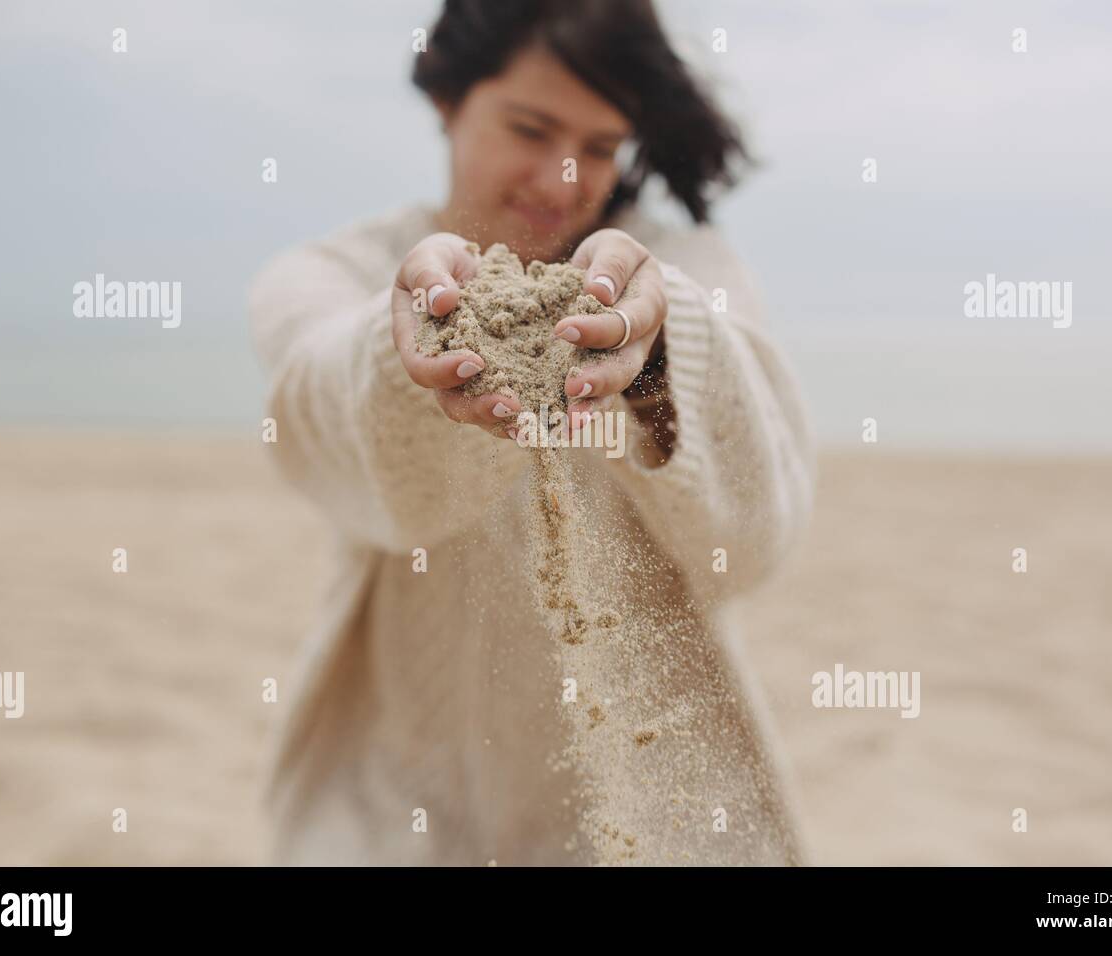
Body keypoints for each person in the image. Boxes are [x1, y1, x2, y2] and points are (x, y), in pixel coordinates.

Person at [248, 0, 815, 865]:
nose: (564, 181)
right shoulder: (333, 278)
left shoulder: (686, 274)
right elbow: (336, 439)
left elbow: (755, 541)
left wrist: (663, 358)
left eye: (599, 147)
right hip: (398, 810)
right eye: (531, 128)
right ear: (448, 100)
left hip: (661, 812)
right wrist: (413, 358)